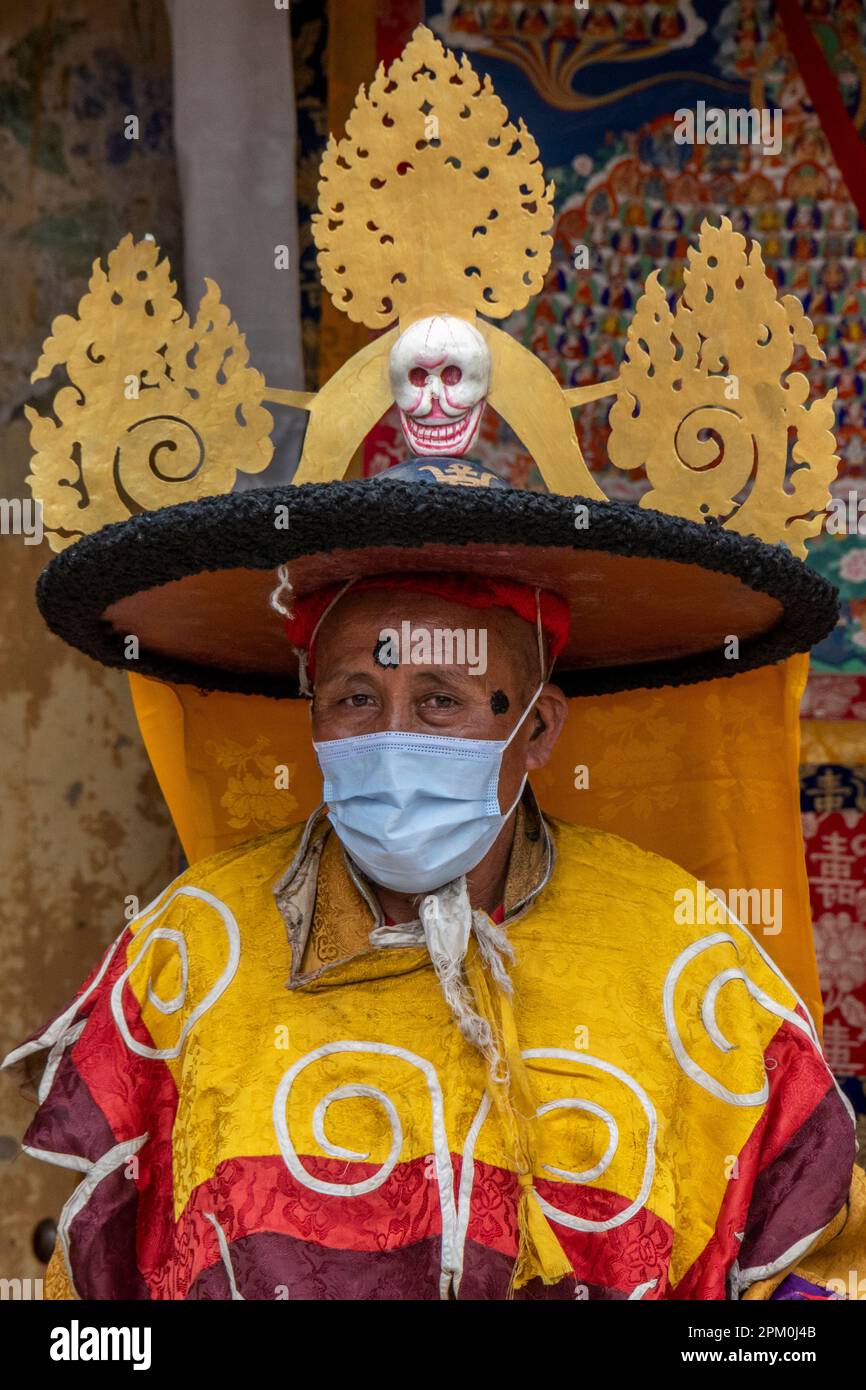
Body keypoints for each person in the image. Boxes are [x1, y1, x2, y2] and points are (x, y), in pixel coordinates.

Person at [6, 519, 864, 1300]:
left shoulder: (678, 942)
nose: (392, 735)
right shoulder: (193, 939)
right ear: (313, 722)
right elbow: (92, 1298)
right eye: (355, 699)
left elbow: (816, 1277)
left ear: (536, 729)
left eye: (441, 699)